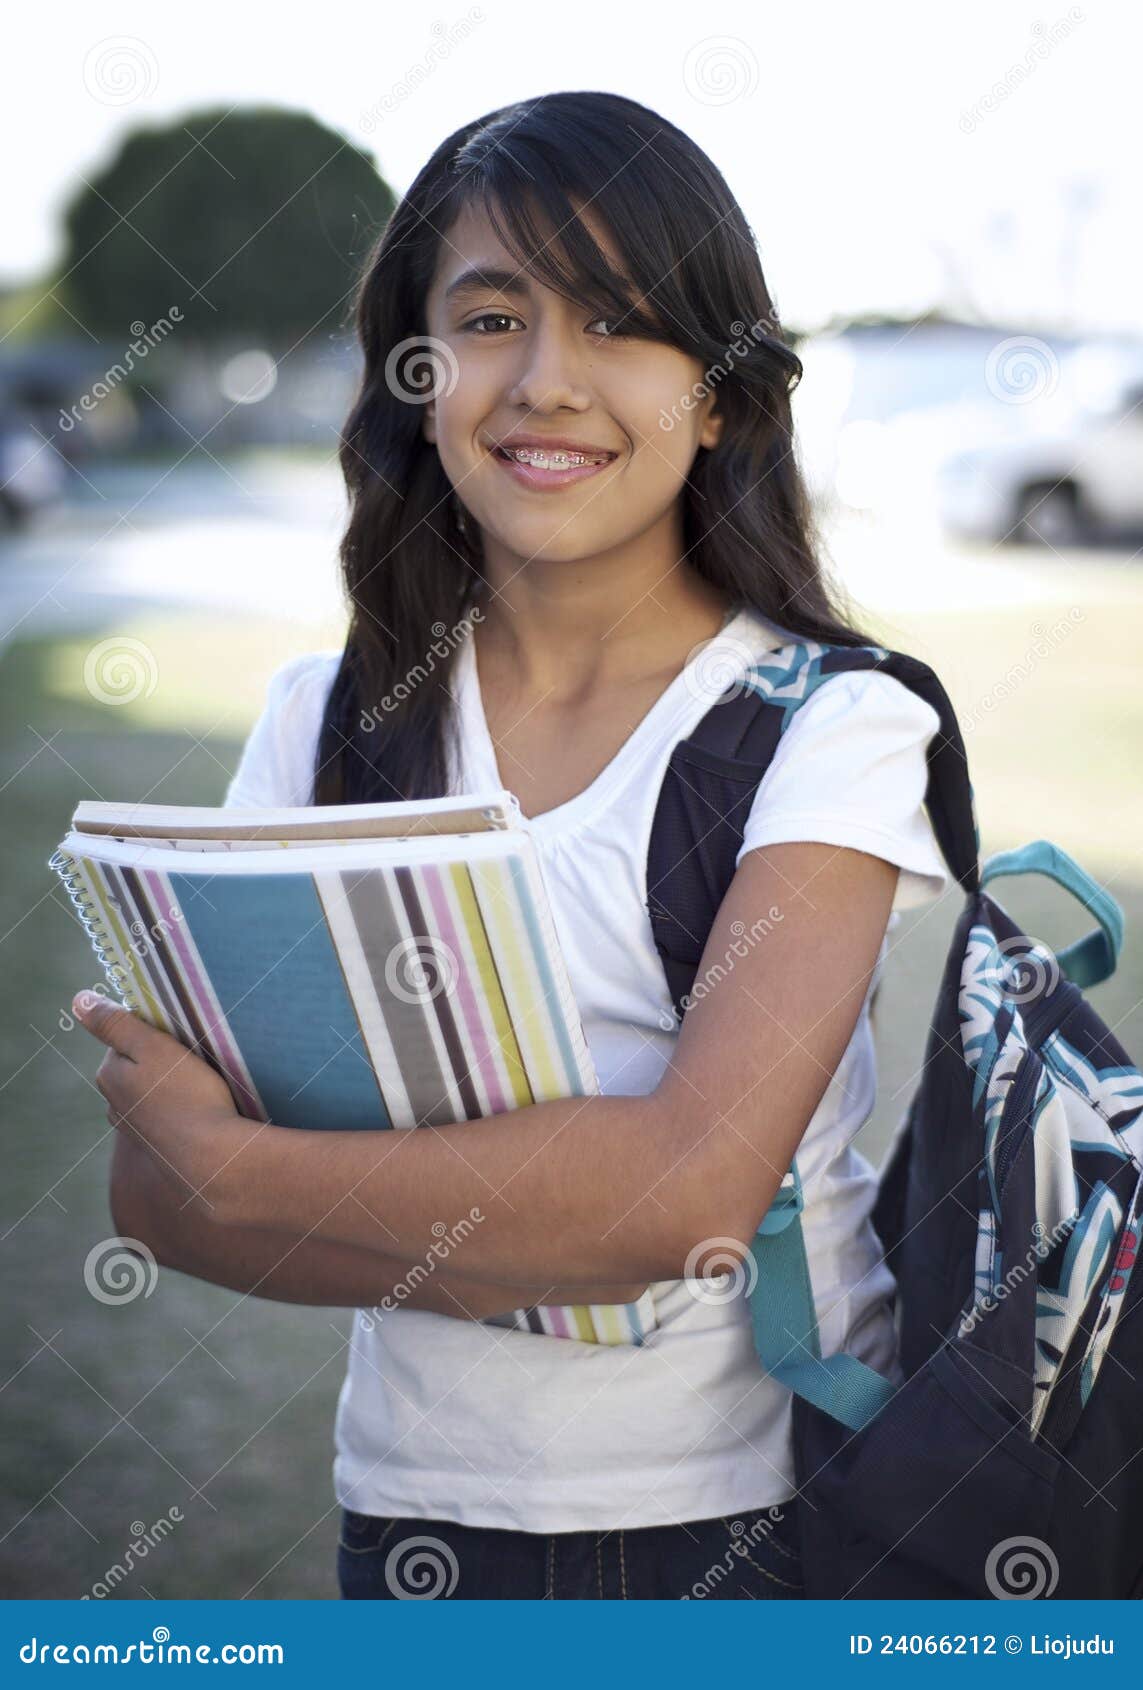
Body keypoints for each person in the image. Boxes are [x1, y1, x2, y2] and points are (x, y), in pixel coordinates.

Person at [76, 91, 949, 1601]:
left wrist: (253, 1167)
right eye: (491, 317)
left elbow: (681, 1196)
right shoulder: (326, 726)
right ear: (418, 375)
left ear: (724, 390)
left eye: (620, 323)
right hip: (415, 1531)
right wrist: (535, 1213)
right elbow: (154, 1203)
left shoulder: (834, 728)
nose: (548, 381)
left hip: (755, 1528)